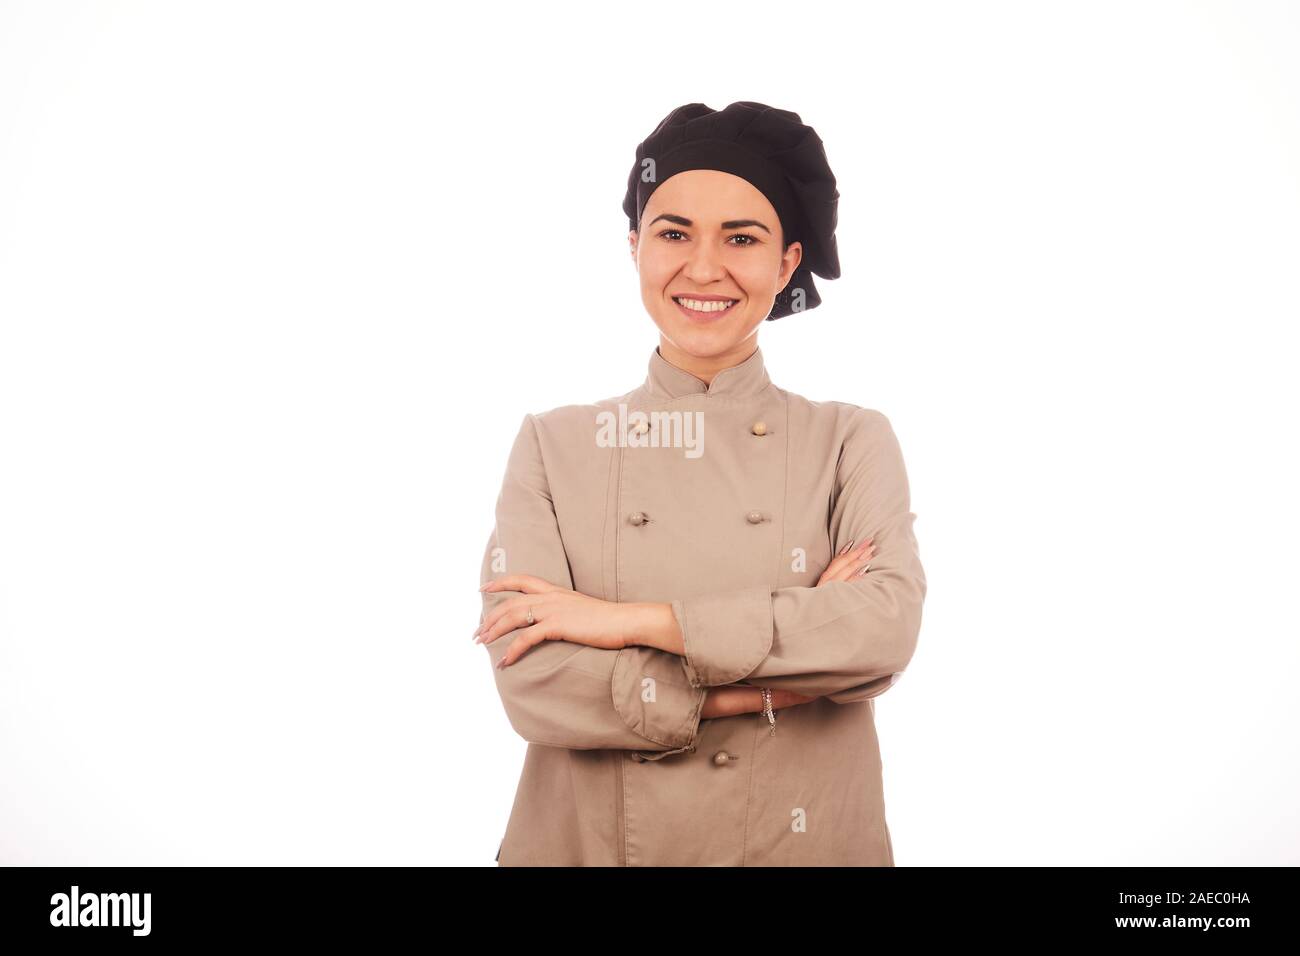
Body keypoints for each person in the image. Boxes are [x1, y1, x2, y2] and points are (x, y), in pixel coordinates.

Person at [475, 102, 927, 866]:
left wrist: (618, 622)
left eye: (742, 239)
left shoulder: (851, 438)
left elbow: (882, 629)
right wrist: (772, 684)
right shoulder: (553, 445)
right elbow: (536, 682)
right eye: (674, 233)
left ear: (787, 263)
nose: (704, 268)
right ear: (634, 247)